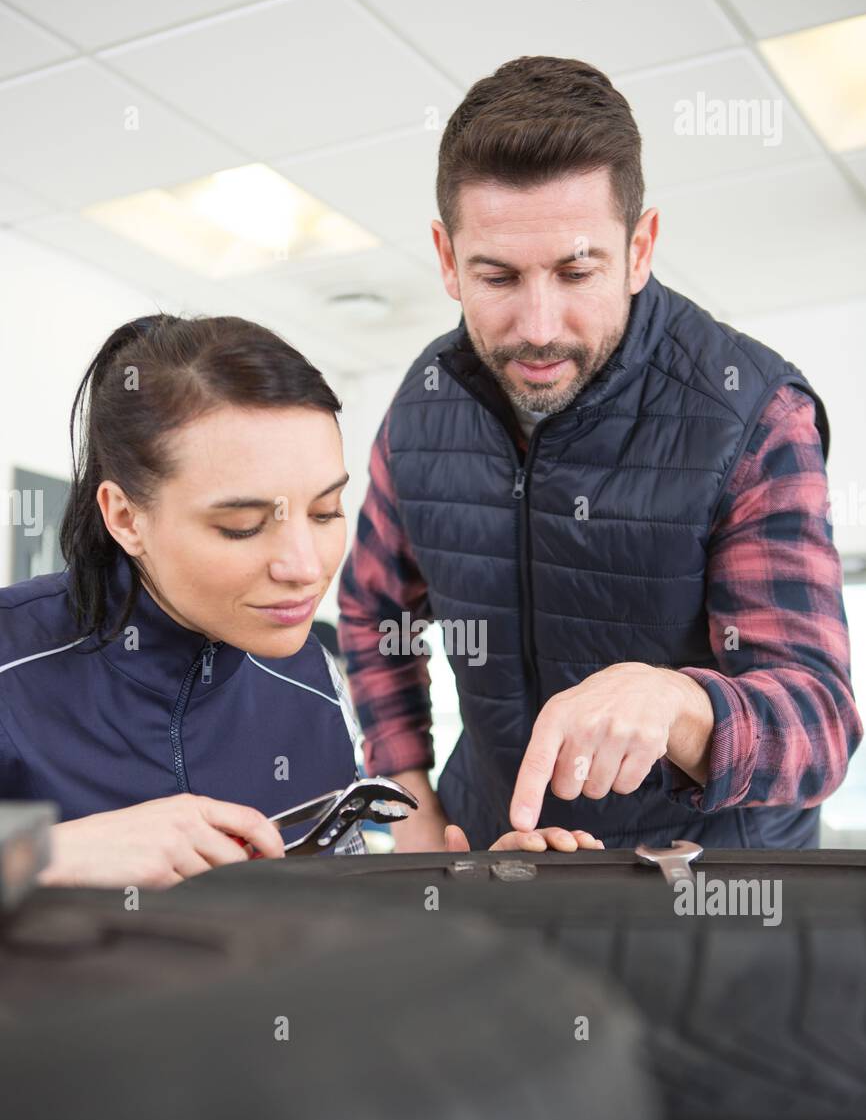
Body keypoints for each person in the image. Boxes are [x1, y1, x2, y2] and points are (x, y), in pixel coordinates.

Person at [338, 55, 863, 853]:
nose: (539, 325)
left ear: (640, 246)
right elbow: (375, 614)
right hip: (493, 861)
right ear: (447, 260)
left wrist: (684, 709)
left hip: (704, 899)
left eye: (577, 270)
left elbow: (820, 726)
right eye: (499, 277)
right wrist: (407, 792)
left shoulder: (753, 413)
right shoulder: (421, 406)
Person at [0, 314, 601, 890]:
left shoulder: (310, 677)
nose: (307, 568)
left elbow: (322, 931)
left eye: (325, 512)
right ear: (126, 518)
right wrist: (46, 855)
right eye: (241, 524)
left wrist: (457, 898)